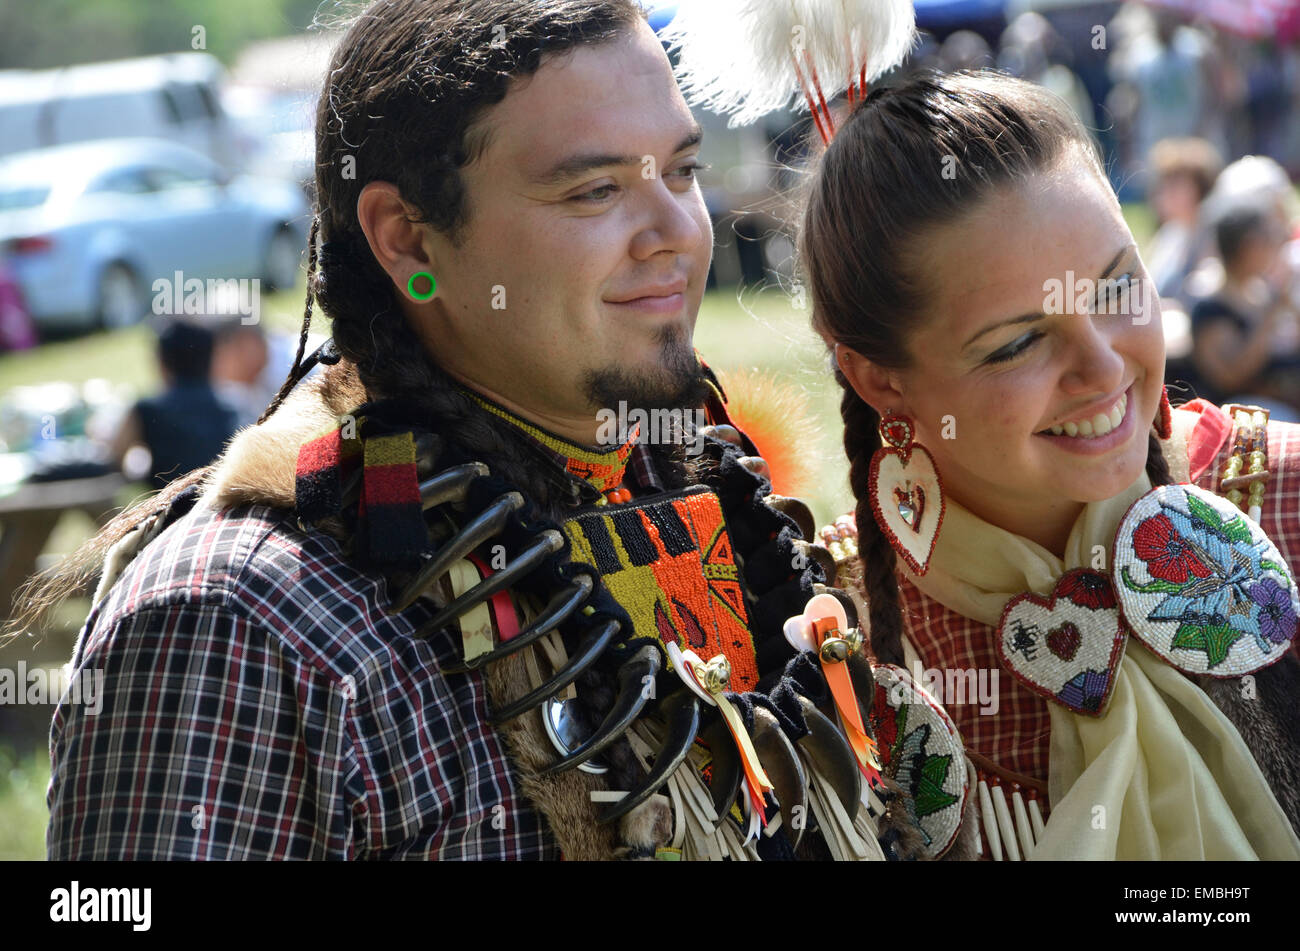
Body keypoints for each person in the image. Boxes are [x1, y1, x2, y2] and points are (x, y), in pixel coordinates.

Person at [18, 0, 887, 861]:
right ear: (409, 241)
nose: (677, 233)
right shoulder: (237, 621)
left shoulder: (699, 484)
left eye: (684, 172)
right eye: (596, 190)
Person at [799, 70, 1300, 860]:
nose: (1103, 368)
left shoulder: (1283, 496)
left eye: (1119, 286)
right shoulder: (831, 640)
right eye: (1017, 343)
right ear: (879, 379)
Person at [1185, 205, 1300, 417]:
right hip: (1242, 413)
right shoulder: (1211, 306)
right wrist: (1271, 315)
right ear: (1247, 246)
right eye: (1266, 239)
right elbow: (1229, 377)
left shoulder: (1264, 291)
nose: (1274, 246)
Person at [109, 317, 240, 490]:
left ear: (162, 362)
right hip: (223, 508)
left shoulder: (147, 410)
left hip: (173, 510)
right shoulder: (234, 406)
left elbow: (115, 456)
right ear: (212, 358)